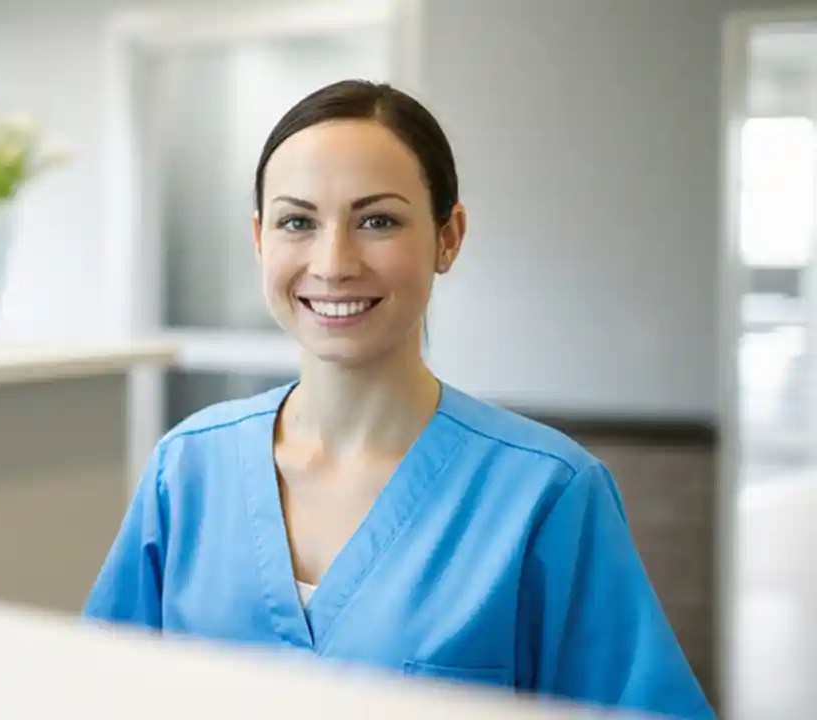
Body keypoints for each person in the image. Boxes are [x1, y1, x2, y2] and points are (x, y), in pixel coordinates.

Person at [83, 79, 713, 719]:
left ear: (449, 237)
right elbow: (95, 697)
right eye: (297, 221)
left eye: (377, 220)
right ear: (258, 239)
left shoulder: (547, 493)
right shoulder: (188, 469)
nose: (333, 263)